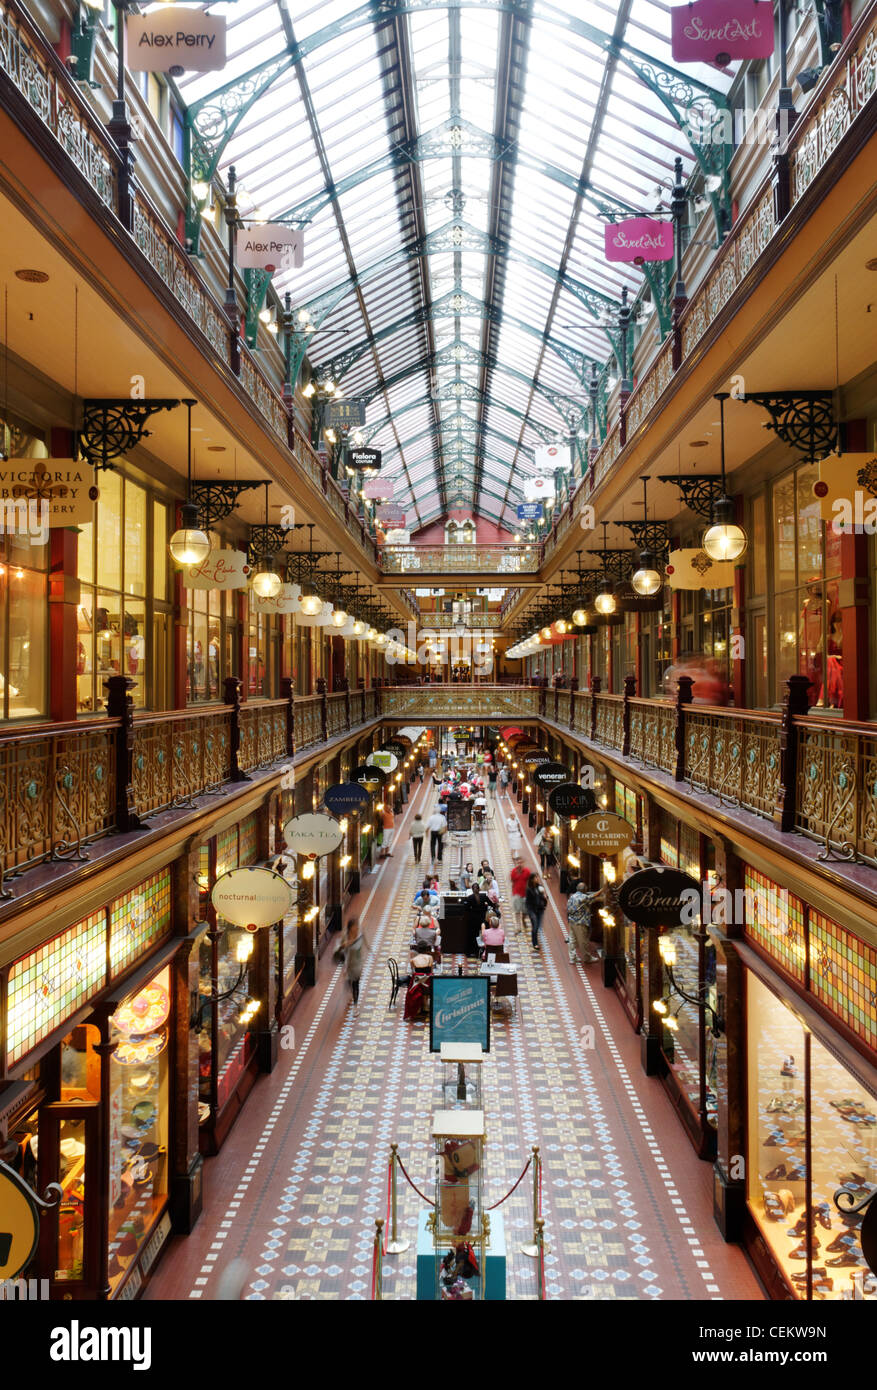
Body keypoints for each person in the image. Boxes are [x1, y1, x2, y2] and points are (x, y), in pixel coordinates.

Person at [566, 881, 599, 965]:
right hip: (580, 923)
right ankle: (587, 958)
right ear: (584, 889)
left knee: (572, 940)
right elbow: (593, 896)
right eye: (586, 888)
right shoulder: (583, 897)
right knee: (583, 941)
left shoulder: (572, 896)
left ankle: (572, 958)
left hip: (572, 921)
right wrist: (603, 890)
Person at [340, 917, 370, 1007]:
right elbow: (342, 949)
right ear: (350, 927)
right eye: (354, 926)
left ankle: (355, 1006)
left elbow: (365, 941)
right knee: (349, 981)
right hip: (348, 963)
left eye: (357, 926)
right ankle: (352, 995)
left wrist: (370, 950)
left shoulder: (360, 934)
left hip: (357, 964)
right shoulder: (345, 935)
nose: (356, 927)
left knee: (356, 984)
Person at [525, 873, 548, 951]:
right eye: (536, 878)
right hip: (532, 910)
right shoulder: (529, 889)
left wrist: (545, 896)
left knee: (538, 926)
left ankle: (535, 940)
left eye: (537, 878)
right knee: (535, 926)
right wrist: (529, 911)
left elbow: (544, 898)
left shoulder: (540, 887)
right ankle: (535, 943)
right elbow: (527, 902)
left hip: (540, 909)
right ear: (532, 879)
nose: (537, 879)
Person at [510, 858, 530, 935]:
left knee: (525, 911)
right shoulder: (513, 872)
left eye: (521, 862)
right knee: (517, 911)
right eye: (518, 863)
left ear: (523, 863)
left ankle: (523, 919)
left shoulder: (527, 871)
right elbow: (512, 881)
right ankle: (518, 926)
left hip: (525, 894)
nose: (519, 864)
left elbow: (529, 881)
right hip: (517, 894)